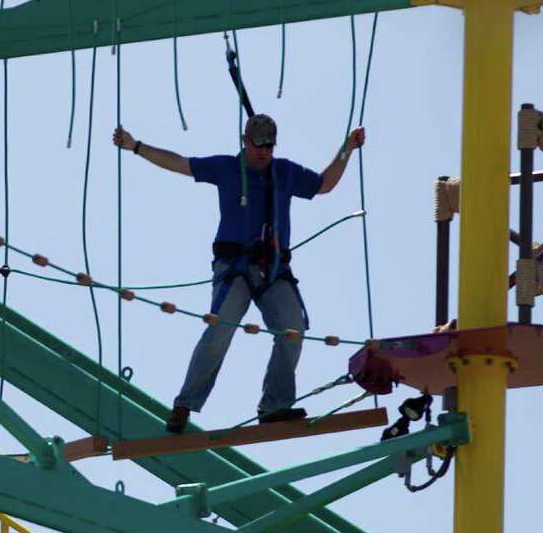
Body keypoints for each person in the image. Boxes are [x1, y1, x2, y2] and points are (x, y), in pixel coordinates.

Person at [113, 113, 365, 431]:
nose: (263, 152)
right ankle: (184, 404)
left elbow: (324, 184)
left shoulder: (284, 172)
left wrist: (347, 148)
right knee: (220, 330)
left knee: (293, 329)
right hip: (235, 267)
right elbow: (179, 163)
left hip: (273, 269)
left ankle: (274, 407)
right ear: (245, 142)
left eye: (269, 146)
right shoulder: (227, 168)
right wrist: (136, 146)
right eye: (258, 145)